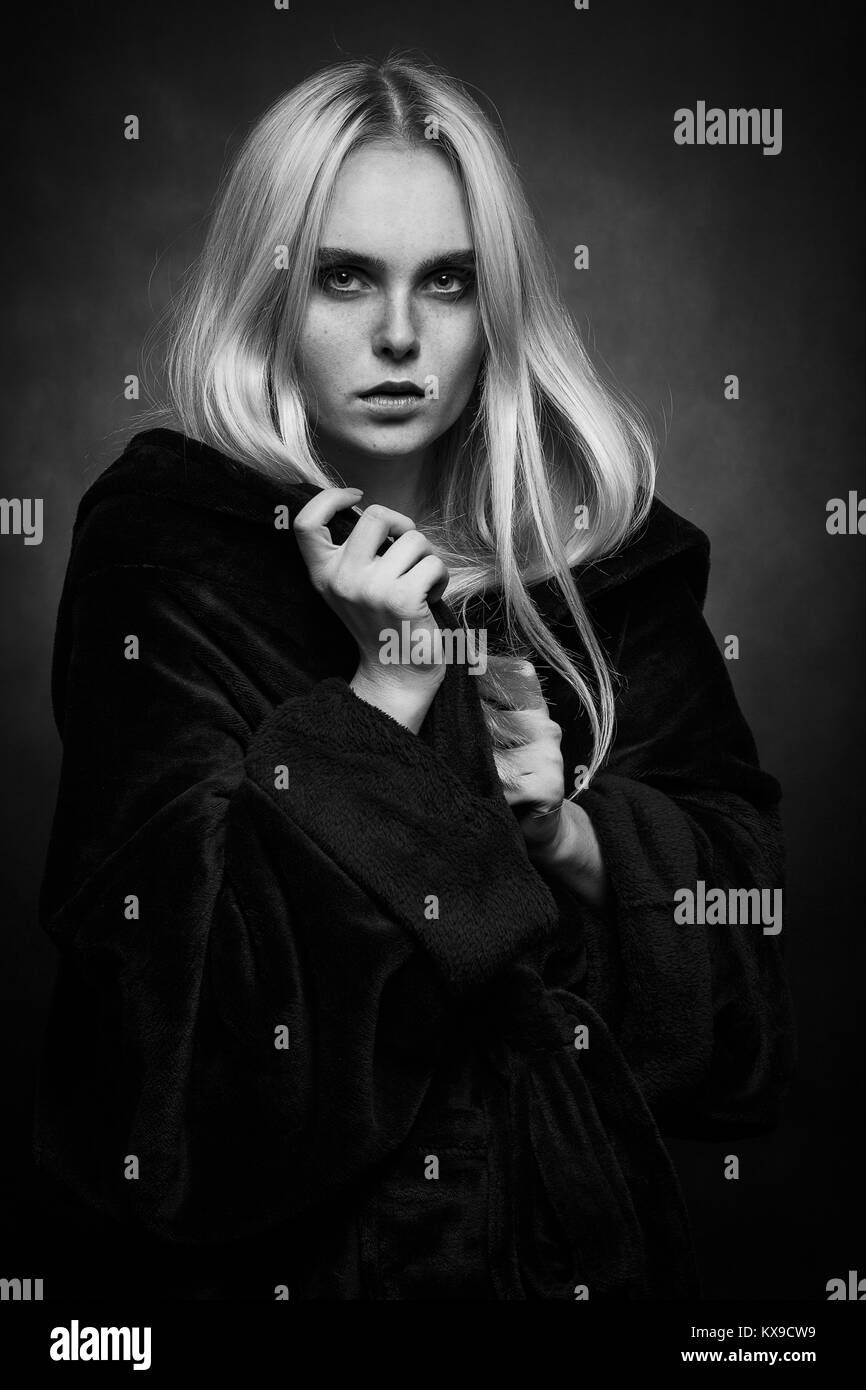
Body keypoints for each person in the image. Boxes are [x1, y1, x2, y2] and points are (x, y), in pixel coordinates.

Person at [34, 53, 795, 1300]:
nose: (399, 336)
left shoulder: (605, 567)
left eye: (446, 281)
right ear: (270, 289)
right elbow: (168, 1047)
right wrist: (386, 697)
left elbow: (747, 995)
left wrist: (569, 838)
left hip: (571, 1267)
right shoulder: (172, 551)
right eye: (344, 276)